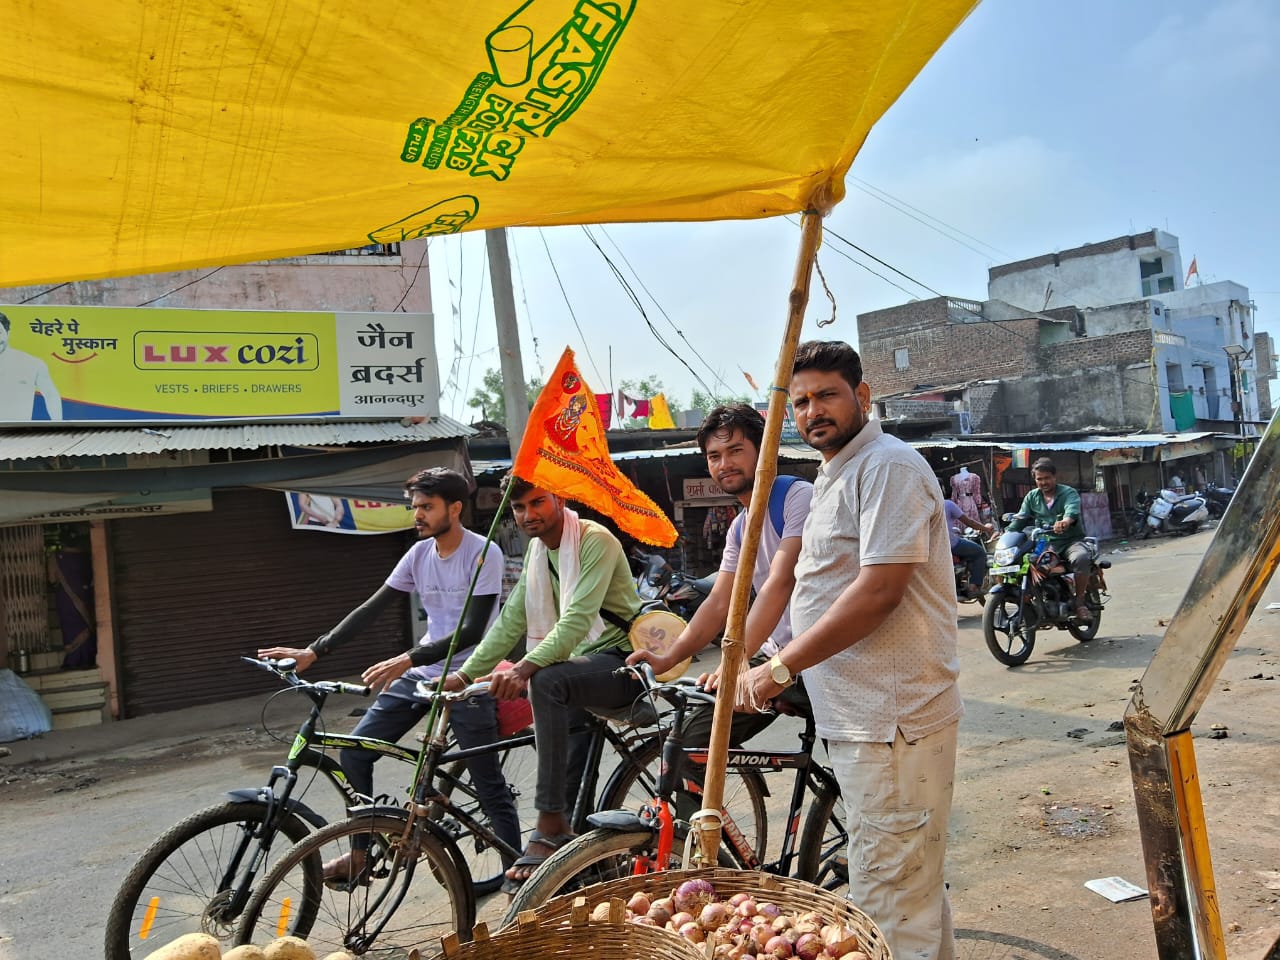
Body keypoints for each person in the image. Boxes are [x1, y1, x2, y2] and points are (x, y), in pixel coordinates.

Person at [738, 340, 962, 960]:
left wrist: (781, 666)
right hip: (864, 722)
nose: (813, 411)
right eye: (801, 401)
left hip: (892, 721)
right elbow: (813, 588)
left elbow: (878, 592)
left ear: (862, 397)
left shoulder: (886, 467)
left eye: (827, 395)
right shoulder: (835, 471)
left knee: (889, 902)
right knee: (907, 890)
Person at [258, 467, 518, 883]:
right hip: (422, 675)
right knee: (356, 753)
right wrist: (314, 650)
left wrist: (407, 658)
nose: (417, 514)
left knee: (489, 785)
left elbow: (472, 629)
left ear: (455, 508)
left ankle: (516, 874)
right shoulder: (418, 554)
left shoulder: (483, 552)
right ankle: (360, 854)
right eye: (415, 506)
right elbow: (371, 608)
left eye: (426, 507)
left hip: (468, 679)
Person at [442, 474, 644, 892]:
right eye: (519, 508)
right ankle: (572, 856)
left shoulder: (595, 539)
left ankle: (548, 820)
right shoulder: (538, 552)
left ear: (559, 498)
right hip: (579, 663)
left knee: (547, 680)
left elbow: (575, 621)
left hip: (625, 660)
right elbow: (510, 621)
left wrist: (524, 667)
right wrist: (462, 674)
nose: (529, 515)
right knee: (565, 755)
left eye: (538, 503)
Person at [626, 402, 813, 750]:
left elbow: (780, 582)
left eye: (735, 451)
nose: (724, 464)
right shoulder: (740, 528)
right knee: (690, 743)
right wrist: (669, 658)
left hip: (813, 656)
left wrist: (736, 661)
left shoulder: (796, 496)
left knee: (852, 766)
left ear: (764, 449)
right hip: (772, 654)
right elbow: (718, 602)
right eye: (714, 456)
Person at [1007, 457, 1093, 622]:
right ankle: (1038, 599)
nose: (1043, 482)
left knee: (1080, 557)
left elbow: (1071, 511)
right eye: (1039, 479)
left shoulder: (1068, 493)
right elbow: (1021, 519)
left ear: (1054, 477)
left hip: (1070, 541)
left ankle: (1080, 602)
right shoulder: (1032, 497)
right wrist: (1006, 533)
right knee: (1028, 563)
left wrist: (1065, 522)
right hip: (1046, 543)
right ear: (1035, 479)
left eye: (1047, 478)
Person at [0, 312, 63, 421]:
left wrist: (58, 425)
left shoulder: (32, 364)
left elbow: (51, 395)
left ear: (8, 333)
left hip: (23, 434)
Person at [944, 497, 993, 599]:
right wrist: (985, 528)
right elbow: (969, 522)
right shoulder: (947, 504)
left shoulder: (921, 505)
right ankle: (973, 587)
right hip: (950, 544)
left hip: (929, 546)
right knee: (980, 552)